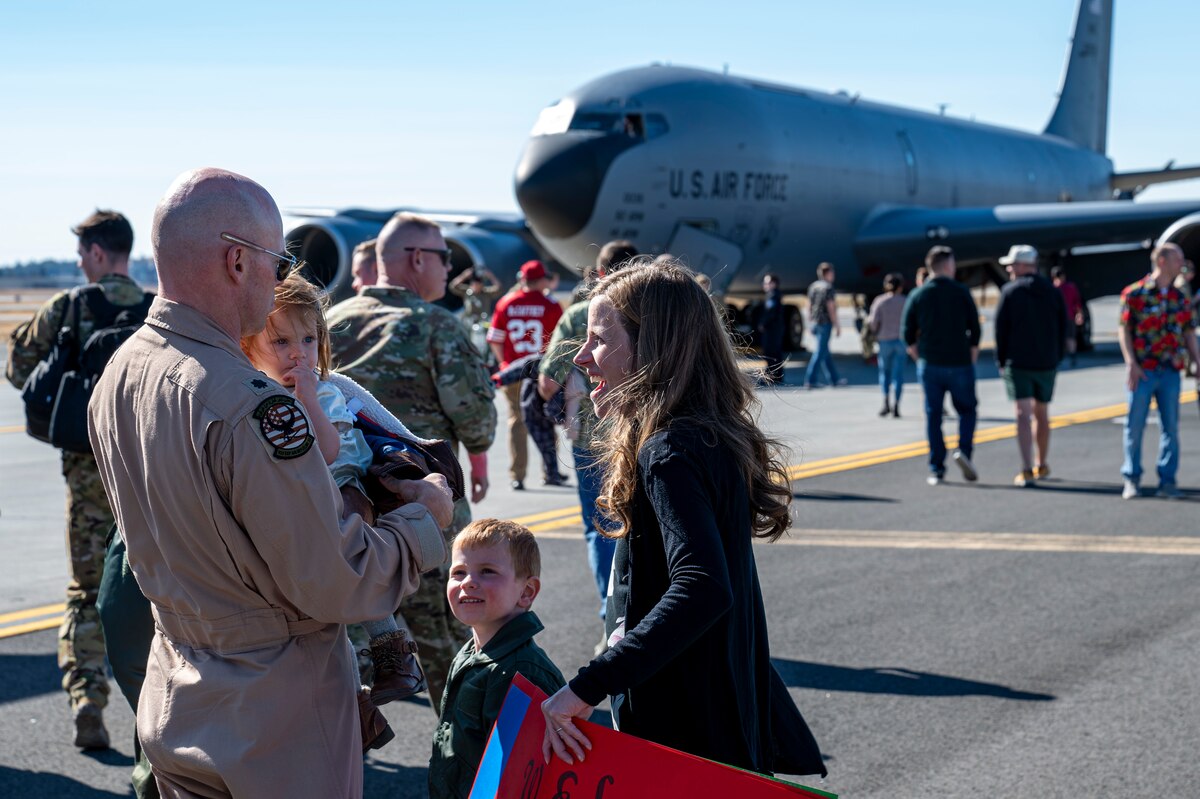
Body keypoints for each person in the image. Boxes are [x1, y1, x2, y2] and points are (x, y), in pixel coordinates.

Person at [87, 168, 454, 798]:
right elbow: (339, 580)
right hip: (274, 713)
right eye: (276, 258)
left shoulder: (123, 370)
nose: (279, 274)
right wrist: (424, 520)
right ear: (237, 261)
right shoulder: (251, 405)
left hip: (176, 686)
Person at [539, 260, 824, 779]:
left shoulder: (668, 451)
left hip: (686, 729)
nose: (582, 358)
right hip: (720, 711)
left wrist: (585, 688)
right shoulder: (706, 435)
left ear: (653, 348)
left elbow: (702, 587)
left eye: (600, 340)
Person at [327, 212, 495, 709]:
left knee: (351, 648)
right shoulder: (438, 326)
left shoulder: (329, 324)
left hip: (347, 515)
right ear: (418, 259)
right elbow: (477, 421)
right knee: (446, 645)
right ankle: (460, 759)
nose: (449, 268)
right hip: (422, 511)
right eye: (445, 257)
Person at [4, 209, 151, 750]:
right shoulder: (155, 309)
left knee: (87, 591)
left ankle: (88, 699)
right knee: (155, 590)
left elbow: (19, 368)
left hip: (88, 475)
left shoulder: (69, 306)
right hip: (148, 474)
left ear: (93, 253)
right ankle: (157, 714)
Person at [241, 272, 425, 702]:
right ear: (249, 346)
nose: (298, 354)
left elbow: (325, 451)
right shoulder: (252, 392)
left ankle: (392, 652)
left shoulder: (322, 393)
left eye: (308, 340)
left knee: (351, 559)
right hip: (298, 497)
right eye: (281, 342)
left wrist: (305, 396)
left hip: (342, 489)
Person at [538, 240, 638, 637]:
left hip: (592, 440)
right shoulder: (651, 313)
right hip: (640, 433)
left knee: (601, 529)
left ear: (598, 274)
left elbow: (547, 382)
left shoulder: (579, 315)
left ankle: (612, 619)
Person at [429, 519, 565, 799]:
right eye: (459, 572)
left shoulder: (519, 672)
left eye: (487, 572)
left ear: (526, 592)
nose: (468, 582)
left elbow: (525, 776)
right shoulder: (472, 652)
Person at [1117, 242, 1199, 499]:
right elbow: (1124, 330)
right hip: (1143, 371)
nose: (1182, 265)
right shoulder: (1135, 294)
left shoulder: (1180, 297)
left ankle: (1167, 481)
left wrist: (1198, 362)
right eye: (1178, 260)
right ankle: (1132, 478)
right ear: (1162, 261)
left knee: (1171, 429)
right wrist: (1131, 363)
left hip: (1170, 371)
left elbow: (1188, 332)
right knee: (1134, 427)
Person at [902, 245, 981, 486]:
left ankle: (937, 468)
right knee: (967, 411)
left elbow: (907, 334)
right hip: (959, 363)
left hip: (931, 364)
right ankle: (963, 452)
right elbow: (975, 330)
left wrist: (920, 358)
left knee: (933, 416)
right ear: (947, 265)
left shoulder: (918, 295)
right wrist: (972, 355)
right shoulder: (961, 292)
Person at [994, 246, 1068, 487]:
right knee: (1042, 413)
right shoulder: (1052, 291)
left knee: (1022, 414)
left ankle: (1026, 468)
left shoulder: (1010, 292)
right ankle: (1041, 462)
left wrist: (1001, 360)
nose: (1009, 269)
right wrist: (1057, 356)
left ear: (1023, 266)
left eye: (1013, 265)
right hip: (1046, 361)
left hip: (1019, 362)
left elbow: (1000, 330)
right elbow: (1064, 326)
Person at [488, 260, 564, 489]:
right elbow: (560, 343)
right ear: (541, 279)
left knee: (516, 421)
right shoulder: (551, 304)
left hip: (514, 371)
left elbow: (494, 339)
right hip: (542, 373)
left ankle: (517, 475)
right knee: (547, 419)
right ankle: (551, 471)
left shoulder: (506, 302)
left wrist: (503, 363)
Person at [868, 273, 907, 417]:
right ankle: (896, 404)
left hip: (884, 341)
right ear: (901, 287)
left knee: (884, 373)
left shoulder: (880, 301)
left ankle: (885, 402)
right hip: (901, 342)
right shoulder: (905, 301)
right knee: (898, 375)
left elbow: (872, 323)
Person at [803, 261, 846, 388]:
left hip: (815, 322)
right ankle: (810, 380)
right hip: (825, 323)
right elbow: (831, 307)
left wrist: (809, 322)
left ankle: (834, 379)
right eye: (832, 273)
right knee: (820, 352)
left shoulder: (813, 287)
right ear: (827, 273)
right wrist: (837, 324)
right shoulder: (828, 288)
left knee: (825, 353)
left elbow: (809, 305)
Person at [1051, 266, 1084, 368]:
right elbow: (1077, 302)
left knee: (1063, 337)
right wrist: (1079, 314)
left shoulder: (1053, 288)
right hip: (1067, 316)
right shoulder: (1070, 287)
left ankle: (1061, 357)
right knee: (1070, 337)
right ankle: (1071, 356)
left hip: (1059, 317)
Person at [758, 273, 786, 383]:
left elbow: (771, 312)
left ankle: (771, 376)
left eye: (767, 282)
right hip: (776, 329)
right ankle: (777, 375)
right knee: (776, 352)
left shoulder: (773, 296)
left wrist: (763, 324)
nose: (765, 285)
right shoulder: (775, 295)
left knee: (770, 352)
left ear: (774, 284)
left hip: (772, 330)